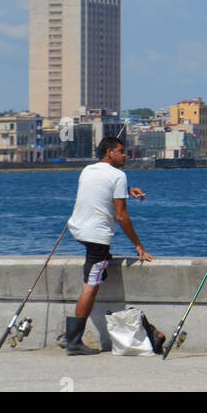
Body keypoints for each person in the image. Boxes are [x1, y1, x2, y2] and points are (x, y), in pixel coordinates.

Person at [63, 136, 152, 355]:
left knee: (95, 270)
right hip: (96, 237)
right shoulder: (119, 175)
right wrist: (138, 245)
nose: (125, 155)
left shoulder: (88, 170)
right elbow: (122, 216)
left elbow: (104, 185)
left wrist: (127, 189)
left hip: (78, 229)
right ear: (109, 153)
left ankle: (71, 337)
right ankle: (73, 341)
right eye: (121, 151)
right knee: (90, 285)